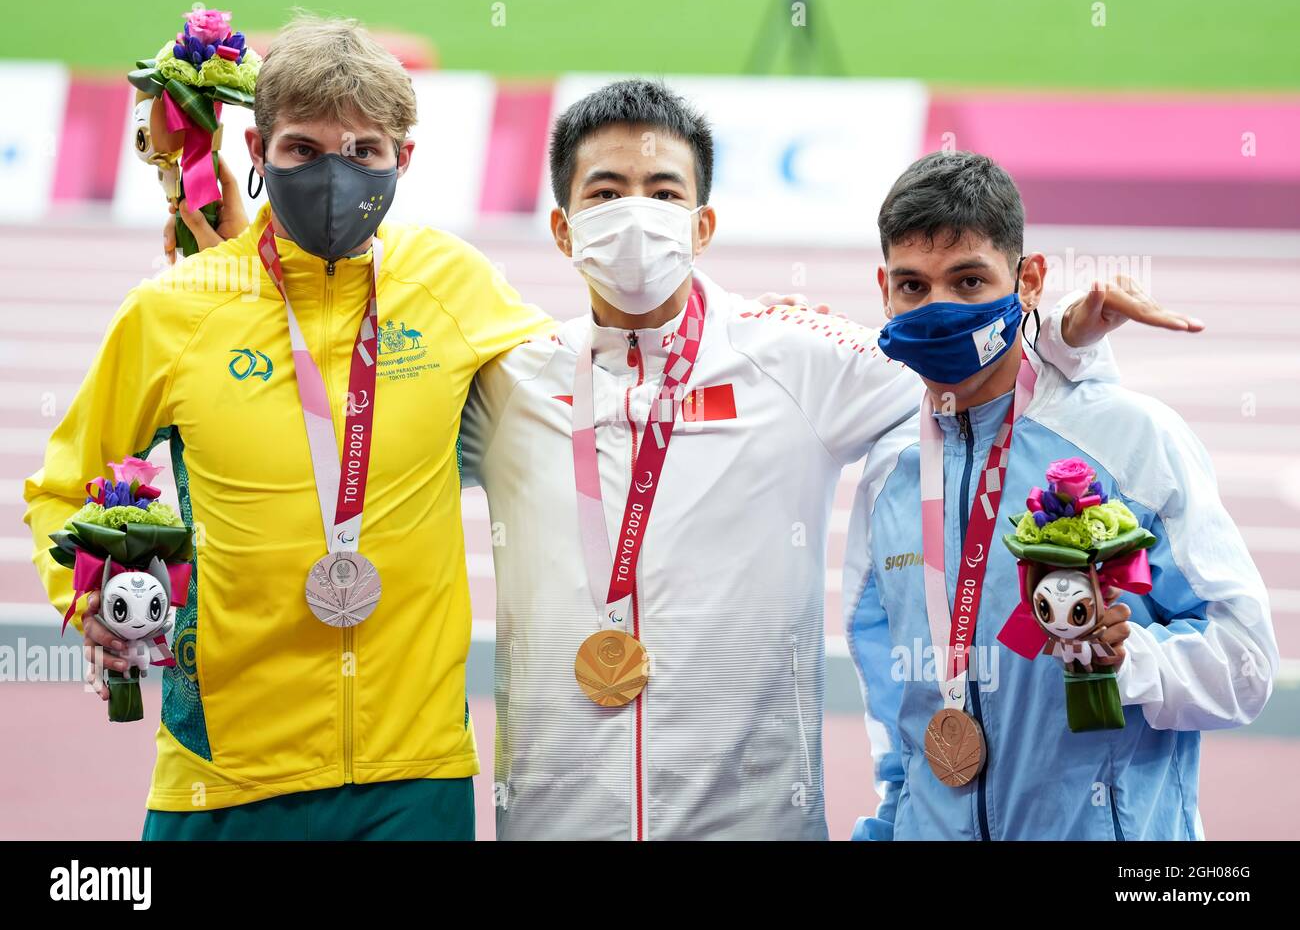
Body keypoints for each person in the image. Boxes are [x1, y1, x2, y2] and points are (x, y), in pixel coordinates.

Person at [459, 80, 1197, 840]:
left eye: (663, 191)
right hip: (558, 821)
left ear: (703, 224)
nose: (637, 212)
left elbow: (967, 367)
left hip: (755, 824)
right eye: (607, 192)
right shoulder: (507, 382)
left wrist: (1061, 336)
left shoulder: (798, 357)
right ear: (560, 226)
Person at [23, 14, 552, 840]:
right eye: (304, 150)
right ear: (258, 153)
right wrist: (91, 597)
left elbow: (592, 383)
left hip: (415, 775)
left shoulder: (455, 283)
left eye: (365, 152)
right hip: (225, 778)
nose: (335, 175)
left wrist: (760, 325)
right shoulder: (177, 310)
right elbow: (65, 485)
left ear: (403, 160)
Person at [842, 150, 1278, 840]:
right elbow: (897, 702)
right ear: (884, 290)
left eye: (968, 280)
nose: (938, 310)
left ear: (1030, 279)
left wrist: (1130, 660)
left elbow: (1247, 666)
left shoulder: (1131, 441)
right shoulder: (890, 472)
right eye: (913, 287)